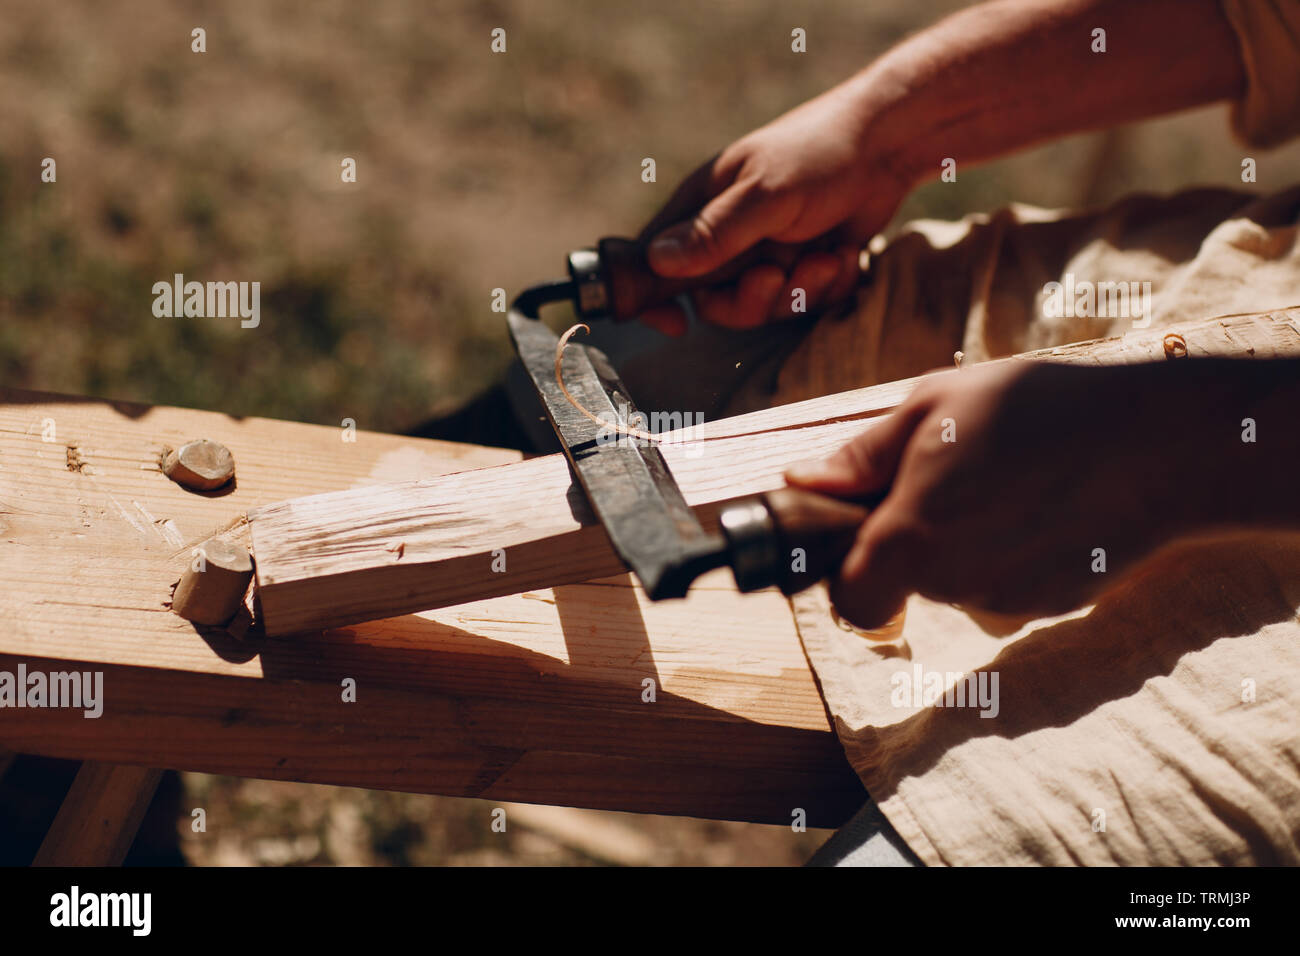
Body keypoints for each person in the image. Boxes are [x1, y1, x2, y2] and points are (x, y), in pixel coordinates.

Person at [627, 0, 1300, 865]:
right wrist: (888, 129)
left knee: (1004, 833)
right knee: (678, 350)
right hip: (1253, 287)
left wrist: (1176, 451)